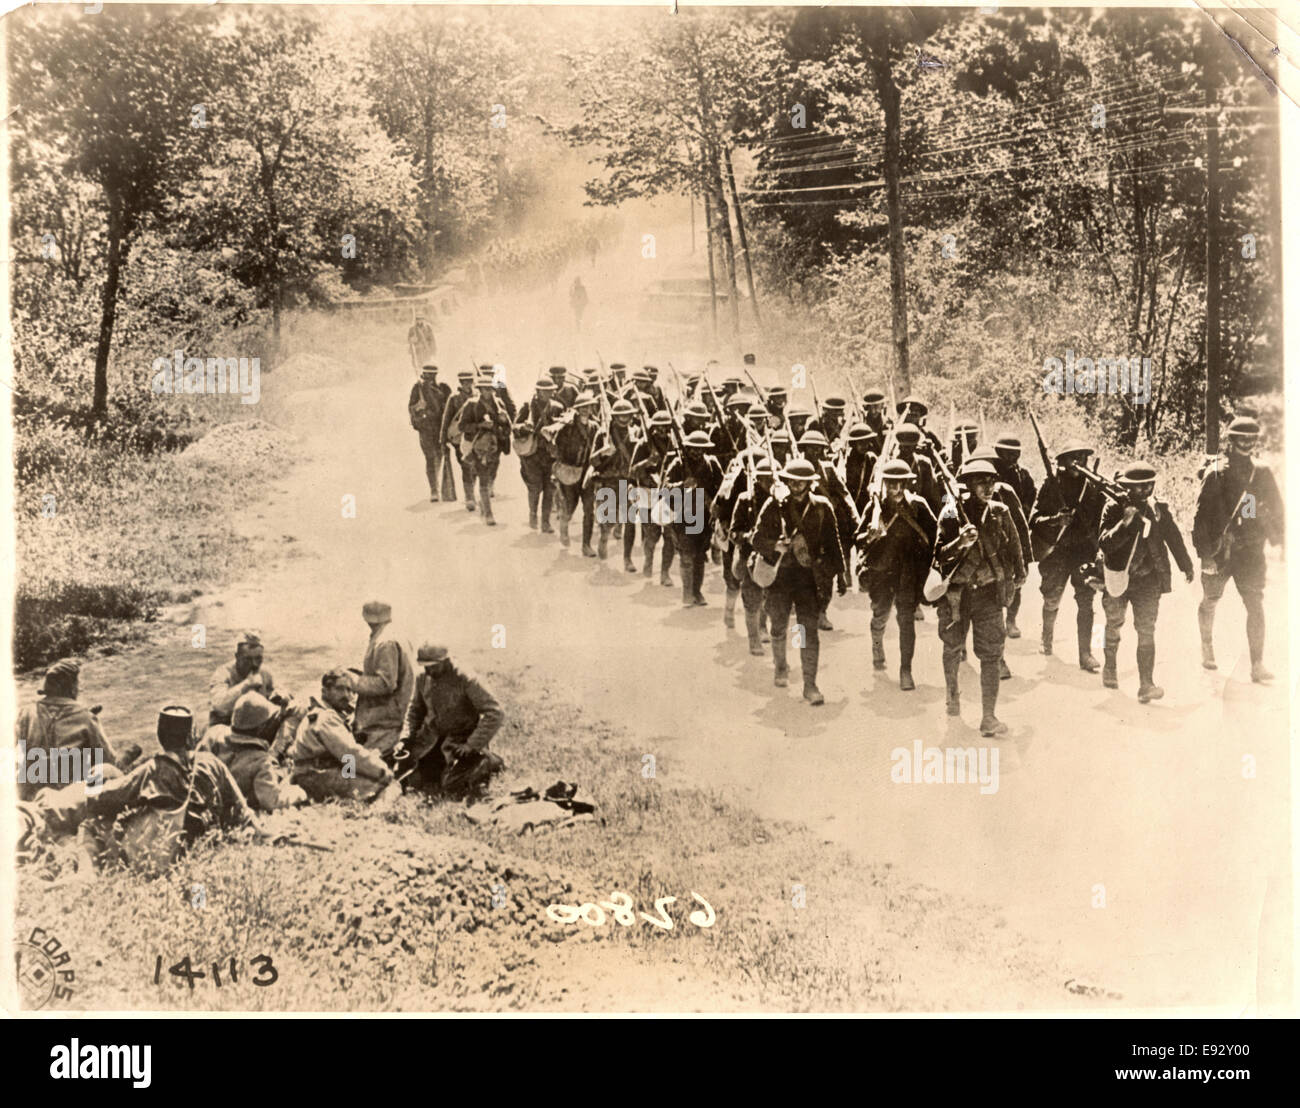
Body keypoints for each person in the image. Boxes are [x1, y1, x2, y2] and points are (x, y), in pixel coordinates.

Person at [73, 707, 260, 872]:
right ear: (191, 735)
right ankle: (197, 900)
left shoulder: (154, 769)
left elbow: (100, 800)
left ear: (160, 735)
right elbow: (243, 811)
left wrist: (95, 775)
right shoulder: (212, 763)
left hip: (162, 857)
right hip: (203, 850)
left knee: (91, 824)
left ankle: (86, 873)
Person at [932, 459, 1025, 736]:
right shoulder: (951, 514)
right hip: (957, 596)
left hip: (989, 595)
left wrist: (1018, 574)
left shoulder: (1000, 512)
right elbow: (938, 556)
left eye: (991, 481)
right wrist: (959, 542)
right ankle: (952, 695)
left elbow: (1015, 548)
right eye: (981, 482)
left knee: (991, 653)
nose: (988, 487)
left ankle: (989, 716)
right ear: (968, 485)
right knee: (952, 648)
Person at [1193, 416, 1284, 681]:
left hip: (1250, 552)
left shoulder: (1262, 473)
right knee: (1210, 600)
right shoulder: (1216, 472)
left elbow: (1278, 511)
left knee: (1255, 604)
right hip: (1219, 551)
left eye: (1251, 439)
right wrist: (1205, 555)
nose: (1246, 443)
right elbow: (1201, 518)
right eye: (1241, 438)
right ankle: (1207, 646)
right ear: (1230, 441)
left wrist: (1276, 536)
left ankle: (1257, 664)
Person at [750, 458, 845, 706]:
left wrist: (840, 574)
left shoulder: (822, 508)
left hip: (807, 579)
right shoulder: (774, 505)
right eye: (792, 481)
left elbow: (834, 545)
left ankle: (809, 684)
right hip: (780, 576)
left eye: (801, 481)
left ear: (810, 483)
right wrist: (775, 545)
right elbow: (756, 539)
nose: (796, 486)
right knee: (779, 626)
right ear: (786, 481)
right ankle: (781, 666)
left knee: (805, 631)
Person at [1098, 463, 1194, 702]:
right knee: (1114, 623)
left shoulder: (1158, 508)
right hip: (1118, 576)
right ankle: (1110, 667)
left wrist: (1186, 565)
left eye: (1147, 485)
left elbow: (1173, 537)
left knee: (1146, 630)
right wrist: (1125, 524)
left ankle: (1146, 684)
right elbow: (1104, 543)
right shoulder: (1113, 508)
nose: (1143, 491)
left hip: (1148, 580)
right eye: (1136, 487)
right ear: (1126, 487)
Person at [857, 459, 938, 690]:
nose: (897, 490)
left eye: (901, 484)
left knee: (906, 620)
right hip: (882, 572)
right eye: (892, 485)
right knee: (880, 613)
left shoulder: (919, 506)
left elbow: (935, 535)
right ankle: (877, 644)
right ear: (885, 485)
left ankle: (906, 669)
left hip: (908, 573)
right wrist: (870, 536)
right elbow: (858, 538)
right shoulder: (875, 508)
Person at [1029, 442, 1105, 672]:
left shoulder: (1094, 486)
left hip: (1084, 551)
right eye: (1075, 457)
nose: (1080, 462)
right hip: (1058, 552)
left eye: (1083, 457)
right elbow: (1033, 520)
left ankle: (1086, 653)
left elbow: (1104, 520)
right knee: (1052, 597)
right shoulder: (1052, 485)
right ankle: (1046, 636)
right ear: (1063, 462)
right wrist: (1055, 520)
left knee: (1086, 601)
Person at [394, 644, 505, 799]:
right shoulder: (422, 678)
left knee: (451, 785)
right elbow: (414, 711)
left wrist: (471, 745)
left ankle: (489, 761)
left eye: (432, 667)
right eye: (424, 666)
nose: (428, 671)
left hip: (459, 743)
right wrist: (405, 738)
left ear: (446, 661)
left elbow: (495, 712)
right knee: (410, 779)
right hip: (431, 741)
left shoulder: (466, 678)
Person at [16, 659, 119, 801]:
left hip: (29, 798)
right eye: (77, 683)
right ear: (70, 687)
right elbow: (109, 759)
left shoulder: (25, 713)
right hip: (68, 801)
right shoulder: (85, 717)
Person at [288, 669, 396, 801]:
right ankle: (377, 815)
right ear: (324, 692)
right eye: (339, 689)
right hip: (317, 775)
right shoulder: (326, 717)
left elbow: (347, 758)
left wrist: (358, 773)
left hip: (311, 774)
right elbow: (350, 753)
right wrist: (382, 771)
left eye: (349, 690)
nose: (346, 695)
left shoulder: (322, 713)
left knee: (365, 776)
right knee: (386, 786)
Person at [200, 692, 307, 811]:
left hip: (205, 796)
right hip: (231, 805)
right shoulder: (260, 760)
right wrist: (298, 793)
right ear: (261, 728)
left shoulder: (214, 733)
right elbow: (272, 800)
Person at [345, 600, 415, 755]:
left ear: (366, 617)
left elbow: (386, 684)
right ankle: (349, 776)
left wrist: (351, 680)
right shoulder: (394, 635)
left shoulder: (385, 642)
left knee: (354, 758)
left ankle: (348, 777)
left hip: (384, 722)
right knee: (351, 754)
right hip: (386, 717)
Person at [664, 429, 724, 607]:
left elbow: (722, 489)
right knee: (687, 556)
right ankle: (687, 593)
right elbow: (665, 488)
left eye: (700, 449)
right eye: (693, 448)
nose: (696, 452)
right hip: (683, 515)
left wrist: (716, 506)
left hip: (704, 517)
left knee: (700, 556)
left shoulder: (712, 463)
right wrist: (682, 485)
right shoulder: (678, 464)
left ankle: (697, 591)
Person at [991, 433, 1038, 639]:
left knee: (1017, 580)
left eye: (1015, 454)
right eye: (1007, 454)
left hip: (1015, 532)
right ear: (998, 453)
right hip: (992, 534)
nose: (1012, 458)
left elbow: (1031, 498)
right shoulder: (990, 473)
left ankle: (1011, 620)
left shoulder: (1023, 476)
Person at [729, 457, 776, 654]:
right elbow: (733, 533)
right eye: (764, 480)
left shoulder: (780, 501)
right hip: (749, 557)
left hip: (773, 557)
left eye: (771, 480)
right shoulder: (745, 499)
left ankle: (763, 627)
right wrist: (747, 537)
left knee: (770, 598)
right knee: (752, 599)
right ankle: (753, 639)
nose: (768, 484)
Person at [628, 409, 678, 584]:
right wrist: (648, 462)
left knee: (670, 535)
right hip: (648, 493)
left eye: (666, 426)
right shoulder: (643, 445)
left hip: (669, 493)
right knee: (652, 535)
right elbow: (632, 472)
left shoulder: (675, 445)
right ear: (653, 428)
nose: (663, 430)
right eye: (659, 427)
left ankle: (665, 572)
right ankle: (648, 560)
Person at [590, 398, 640, 565]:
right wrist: (604, 451)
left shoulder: (637, 433)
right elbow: (593, 461)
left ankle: (627, 558)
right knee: (607, 522)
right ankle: (603, 540)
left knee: (630, 521)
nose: (624, 419)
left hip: (629, 482)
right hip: (608, 482)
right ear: (614, 416)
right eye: (620, 415)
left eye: (627, 415)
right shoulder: (604, 434)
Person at [548, 392, 600, 554]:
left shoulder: (595, 427)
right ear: (577, 409)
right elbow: (556, 450)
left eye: (588, 407)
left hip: (587, 473)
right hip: (570, 472)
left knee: (589, 510)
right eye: (582, 407)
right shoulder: (567, 428)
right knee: (569, 508)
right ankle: (564, 526)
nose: (585, 410)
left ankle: (586, 545)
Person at [457, 372, 511, 525]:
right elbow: (462, 426)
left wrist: (502, 423)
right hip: (478, 447)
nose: (488, 392)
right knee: (483, 477)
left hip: (495, 447)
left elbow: (508, 427)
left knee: (491, 476)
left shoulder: (499, 404)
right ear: (479, 389)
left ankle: (484, 504)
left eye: (490, 389)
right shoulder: (471, 404)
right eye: (485, 389)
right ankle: (488, 513)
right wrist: (479, 426)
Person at [516, 378, 562, 533]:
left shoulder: (557, 408)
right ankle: (533, 514)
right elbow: (515, 426)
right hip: (532, 453)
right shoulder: (528, 407)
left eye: (550, 390)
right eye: (544, 390)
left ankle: (546, 521)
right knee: (535, 487)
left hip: (550, 454)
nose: (547, 393)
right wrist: (524, 427)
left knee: (550, 488)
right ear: (538, 391)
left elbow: (564, 428)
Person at [208, 631, 274, 730]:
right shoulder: (223, 673)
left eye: (258, 659)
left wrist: (280, 695)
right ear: (237, 657)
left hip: (257, 725)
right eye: (247, 659)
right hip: (227, 727)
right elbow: (218, 705)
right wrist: (246, 685)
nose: (254, 664)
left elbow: (278, 690)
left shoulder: (264, 672)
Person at [408, 364, 450, 502]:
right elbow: (411, 408)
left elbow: (449, 407)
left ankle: (439, 485)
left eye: (433, 375)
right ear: (423, 375)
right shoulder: (418, 388)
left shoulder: (443, 388)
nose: (430, 377)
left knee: (440, 455)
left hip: (440, 427)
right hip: (426, 428)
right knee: (430, 458)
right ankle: (434, 489)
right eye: (427, 375)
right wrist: (419, 407)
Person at [441, 370, 478, 510]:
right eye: (465, 382)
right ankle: (469, 496)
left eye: (470, 381)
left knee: (475, 467)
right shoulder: (454, 398)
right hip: (458, 438)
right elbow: (446, 419)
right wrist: (443, 439)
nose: (468, 384)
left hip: (476, 436)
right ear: (461, 383)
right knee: (466, 466)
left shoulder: (477, 396)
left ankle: (472, 492)